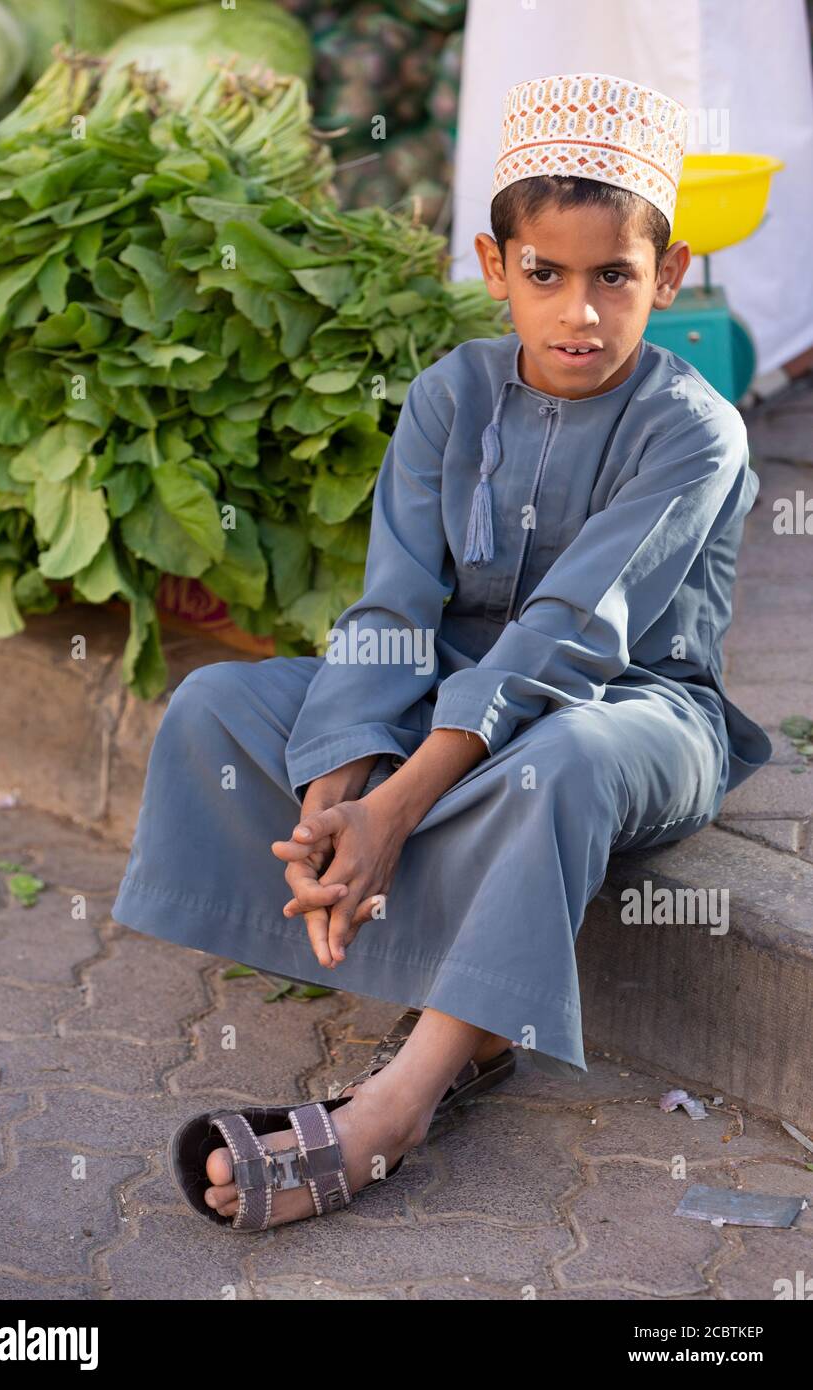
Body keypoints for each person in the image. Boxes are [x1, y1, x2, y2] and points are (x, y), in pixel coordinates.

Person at [111, 72, 772, 1233]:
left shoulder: (693, 429)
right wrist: (337, 800)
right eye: (545, 274)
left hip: (628, 715)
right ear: (491, 265)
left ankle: (405, 1097)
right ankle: (417, 955)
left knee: (550, 764)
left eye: (612, 276)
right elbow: (389, 611)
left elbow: (568, 635)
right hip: (437, 698)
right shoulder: (447, 394)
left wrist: (398, 807)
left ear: (664, 276)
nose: (578, 312)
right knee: (223, 702)